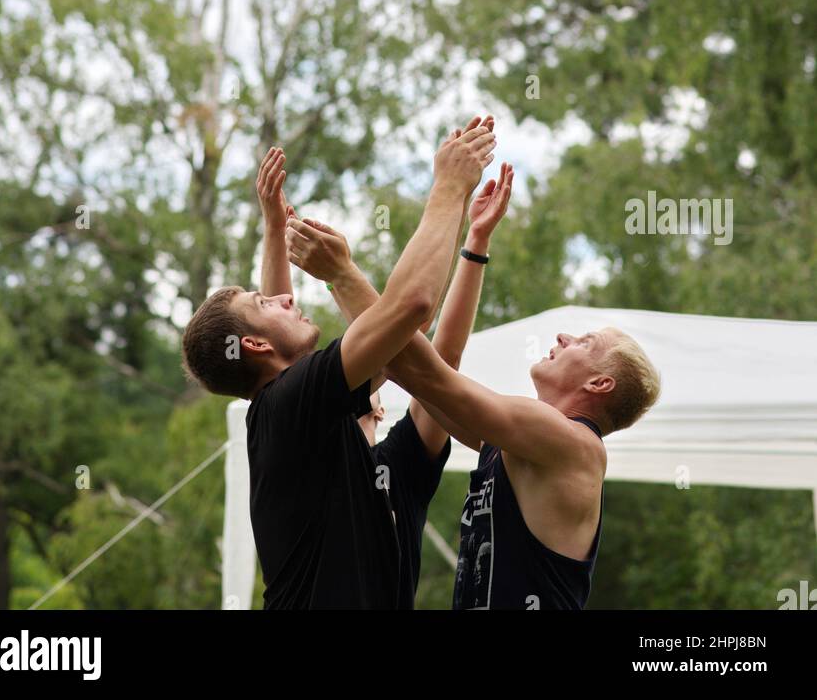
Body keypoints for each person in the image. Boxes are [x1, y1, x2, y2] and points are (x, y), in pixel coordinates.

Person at [180, 116, 497, 610]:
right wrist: (447, 188)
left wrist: (469, 233)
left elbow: (434, 368)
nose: (283, 300)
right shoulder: (283, 407)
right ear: (256, 348)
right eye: (262, 304)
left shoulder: (363, 457)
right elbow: (410, 306)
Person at [287, 212, 661, 611]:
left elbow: (426, 373)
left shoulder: (571, 443)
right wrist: (475, 243)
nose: (563, 337)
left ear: (599, 384)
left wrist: (341, 275)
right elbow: (431, 369)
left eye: (586, 343)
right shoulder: (524, 448)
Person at [271, 142, 513, 607]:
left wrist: (475, 241)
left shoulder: (397, 467)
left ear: (381, 410)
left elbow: (442, 362)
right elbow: (288, 369)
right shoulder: (308, 443)